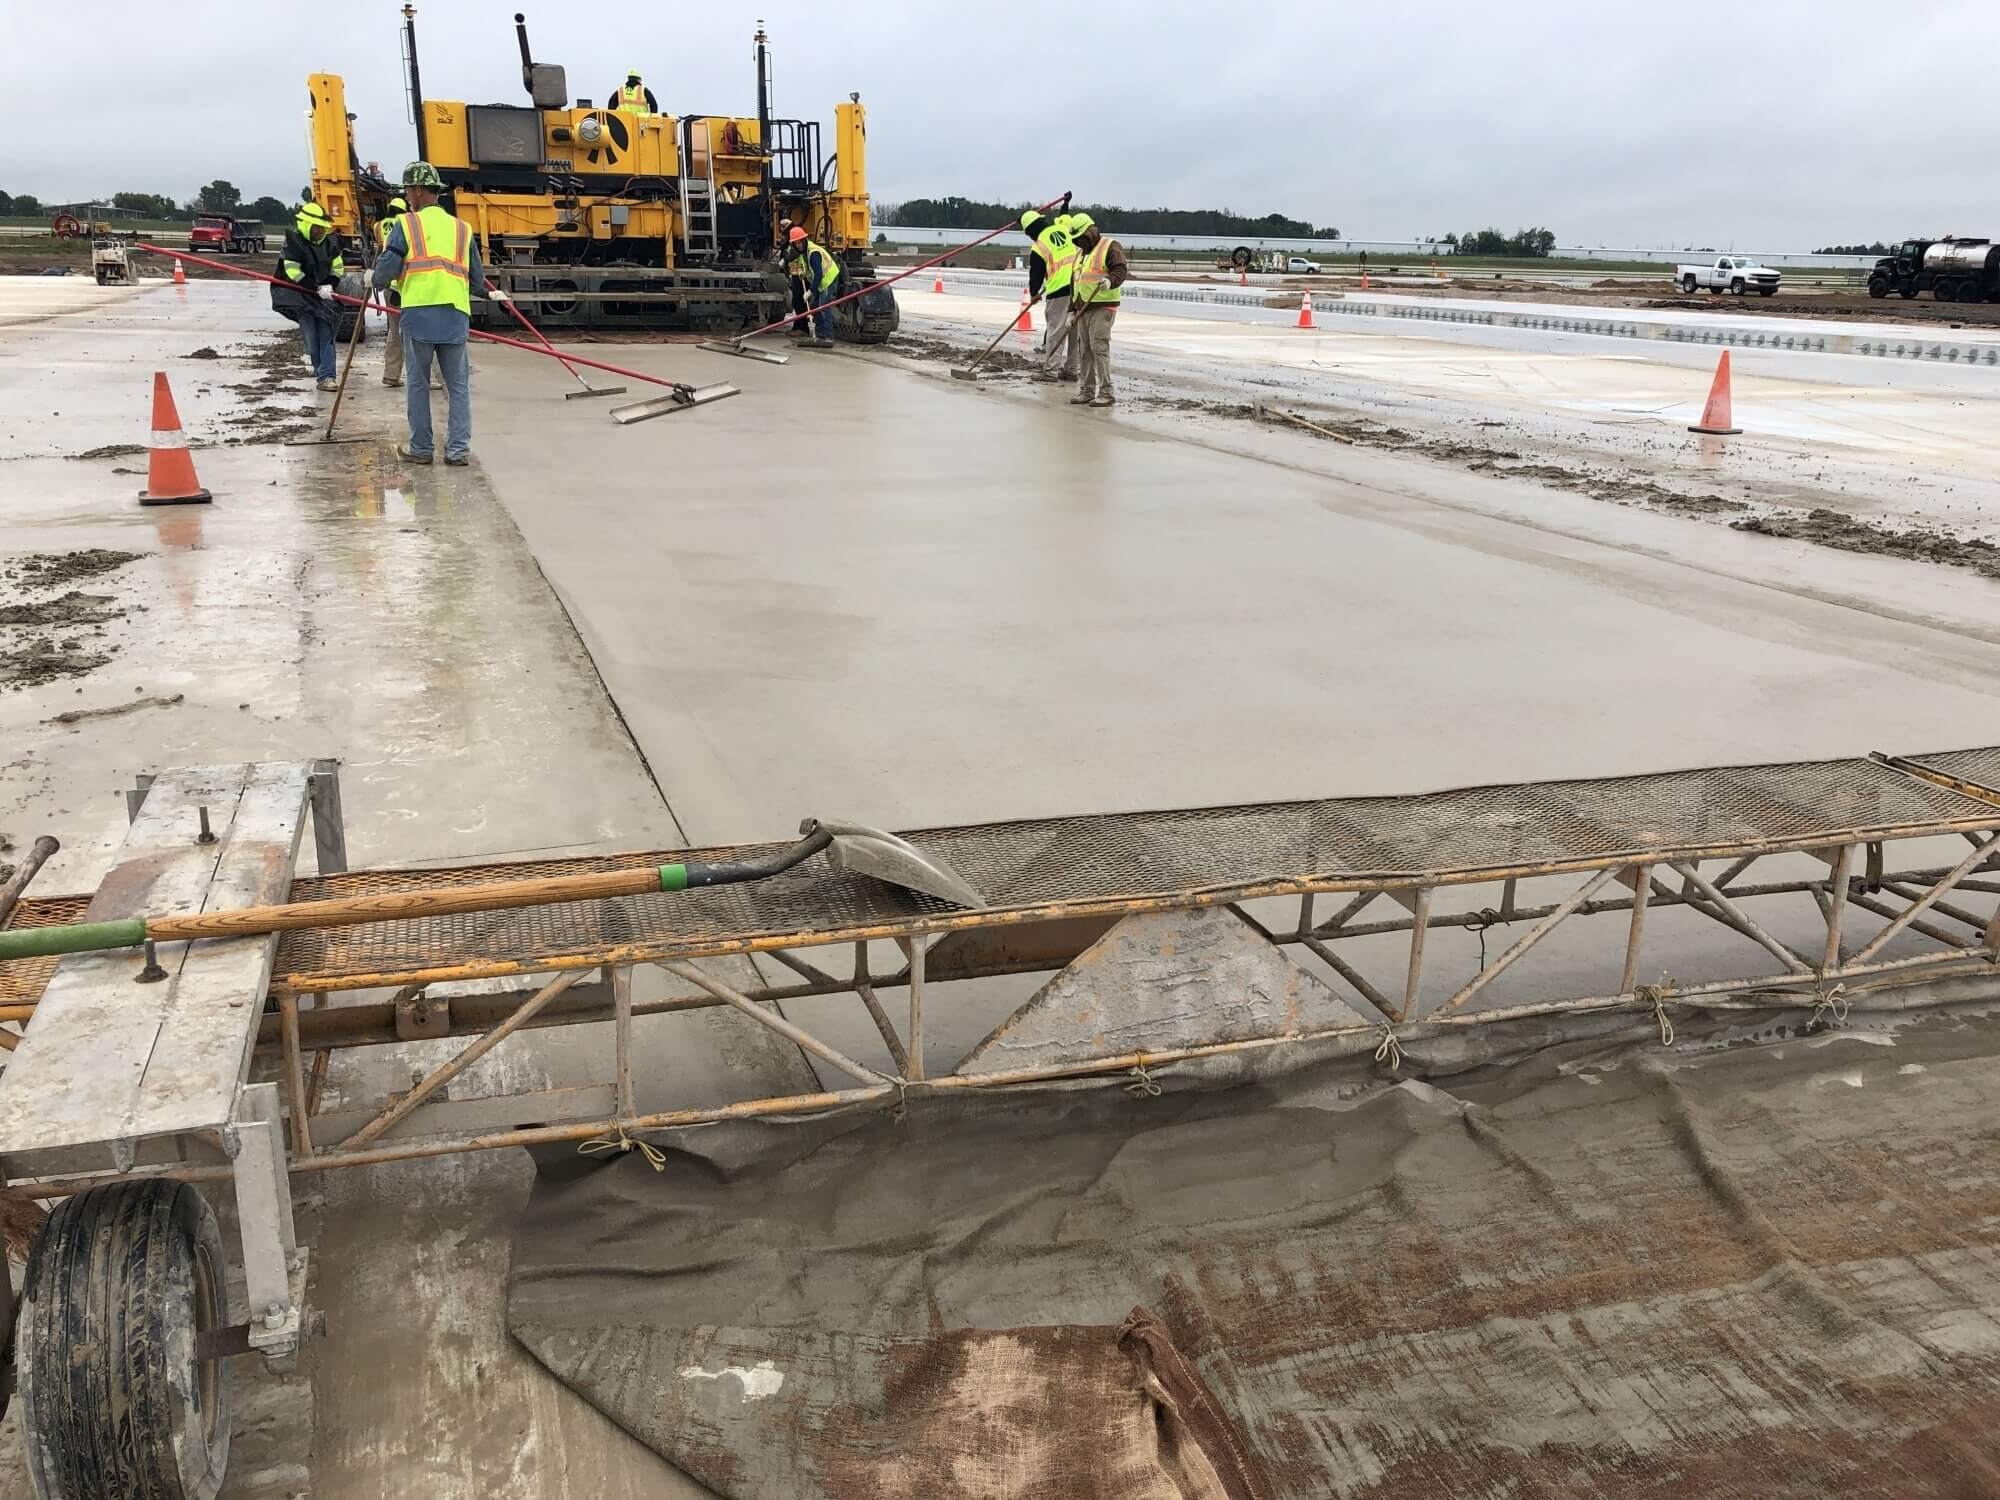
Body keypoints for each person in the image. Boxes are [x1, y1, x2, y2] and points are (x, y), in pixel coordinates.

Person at [371, 162, 484, 466]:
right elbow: (476, 279)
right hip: (455, 314)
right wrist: (492, 293)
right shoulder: (463, 228)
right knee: (458, 386)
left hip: (419, 313)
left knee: (418, 383)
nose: (407, 196)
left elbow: (387, 268)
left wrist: (376, 281)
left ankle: (421, 449)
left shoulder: (406, 225)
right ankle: (458, 450)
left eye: (408, 190)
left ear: (419, 191)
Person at [269, 201, 346, 391]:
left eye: (322, 228)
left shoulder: (330, 244)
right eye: (316, 228)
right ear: (306, 225)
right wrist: (314, 287)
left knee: (326, 337)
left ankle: (327, 376)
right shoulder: (294, 244)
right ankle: (320, 371)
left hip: (325, 299)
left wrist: (330, 284)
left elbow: (338, 267)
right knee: (312, 343)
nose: (319, 232)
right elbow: (292, 271)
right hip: (301, 298)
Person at [1066, 214, 1128, 408]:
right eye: (1076, 240)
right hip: (1083, 307)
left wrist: (1110, 281)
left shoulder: (1110, 246)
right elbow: (1074, 283)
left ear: (1091, 231)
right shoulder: (1080, 254)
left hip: (1103, 304)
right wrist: (1071, 310)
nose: (1079, 242)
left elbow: (1120, 269)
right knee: (1084, 350)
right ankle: (1086, 390)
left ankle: (1106, 392)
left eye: (1081, 238)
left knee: (1099, 347)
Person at [1019, 201, 1079, 382]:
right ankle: (1071, 370)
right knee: (1074, 331)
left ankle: (1051, 371)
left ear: (1031, 231)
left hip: (1059, 290)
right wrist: (1066, 203)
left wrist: (1034, 293)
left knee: (1056, 331)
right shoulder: (1062, 229)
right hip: (1078, 285)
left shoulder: (1038, 246)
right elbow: (1065, 217)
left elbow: (1035, 273)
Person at [786, 226, 841, 345]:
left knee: (823, 306)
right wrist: (801, 271)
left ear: (804, 240)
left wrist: (810, 291)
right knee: (815, 305)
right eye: (796, 243)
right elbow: (804, 268)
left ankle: (828, 337)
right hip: (820, 281)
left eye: (800, 242)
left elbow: (819, 275)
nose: (798, 245)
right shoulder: (803, 254)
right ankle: (820, 335)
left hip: (828, 278)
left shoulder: (813, 253)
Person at [375, 194, 408, 387]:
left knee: (394, 333)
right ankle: (424, 377)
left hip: (389, 286)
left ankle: (391, 374)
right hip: (405, 285)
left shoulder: (378, 225)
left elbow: (382, 248)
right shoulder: (406, 225)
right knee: (419, 334)